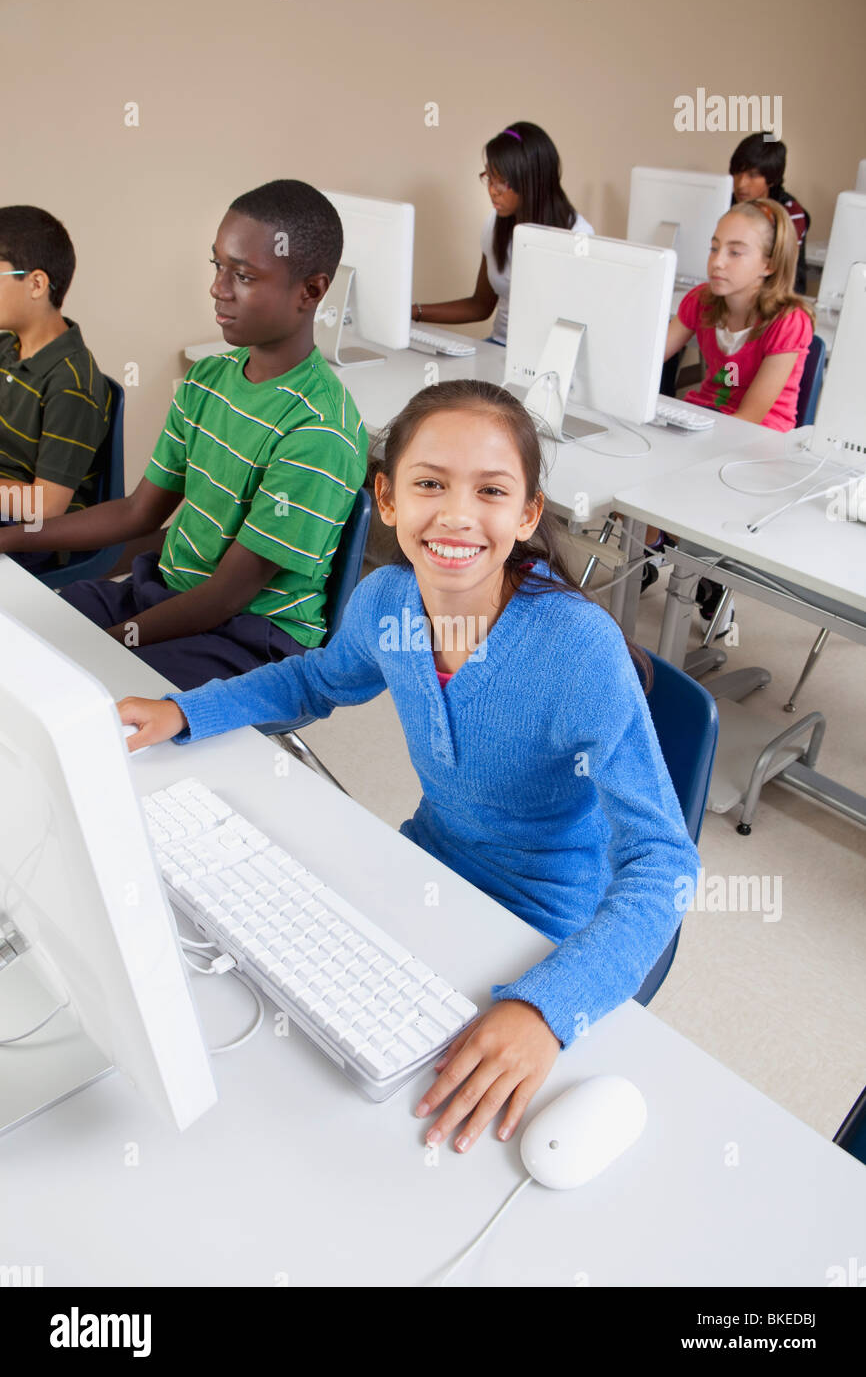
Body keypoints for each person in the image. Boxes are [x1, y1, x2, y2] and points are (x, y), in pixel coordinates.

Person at [115, 379, 700, 1154]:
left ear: (527, 515)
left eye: (490, 491)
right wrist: (189, 711)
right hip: (423, 867)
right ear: (387, 499)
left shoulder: (577, 651)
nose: (457, 515)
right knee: (289, 1044)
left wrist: (549, 1010)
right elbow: (313, 680)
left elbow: (664, 864)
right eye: (430, 484)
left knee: (422, 1127)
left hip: (544, 925)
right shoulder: (387, 600)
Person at [0, 181, 368, 689]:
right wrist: (12, 537)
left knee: (79, 688)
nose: (218, 288)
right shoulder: (207, 380)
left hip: (252, 636)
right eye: (218, 266)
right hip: (168, 591)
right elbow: (138, 512)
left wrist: (109, 643)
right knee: (18, 640)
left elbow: (224, 598)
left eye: (243, 275)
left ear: (311, 291)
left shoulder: (318, 431)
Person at [0, 205, 111, 573]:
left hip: (31, 536)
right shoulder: (6, 347)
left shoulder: (71, 383)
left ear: (36, 284)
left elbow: (45, 507)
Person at [411, 122, 593, 345]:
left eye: (502, 182)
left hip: (544, 360)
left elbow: (578, 329)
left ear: (532, 180)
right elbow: (479, 306)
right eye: (489, 178)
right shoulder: (496, 224)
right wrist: (412, 312)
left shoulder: (578, 237)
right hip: (499, 348)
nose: (492, 190)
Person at [664, 200, 814, 432]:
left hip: (759, 439)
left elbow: (750, 417)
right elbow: (649, 360)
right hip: (705, 418)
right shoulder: (700, 301)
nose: (718, 262)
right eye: (714, 248)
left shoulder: (788, 322)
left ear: (769, 265)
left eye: (735, 252)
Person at [729, 134, 810, 295]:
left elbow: (781, 274)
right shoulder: (727, 203)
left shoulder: (790, 213)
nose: (741, 184)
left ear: (772, 179)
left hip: (773, 296)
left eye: (752, 175)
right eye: (737, 173)